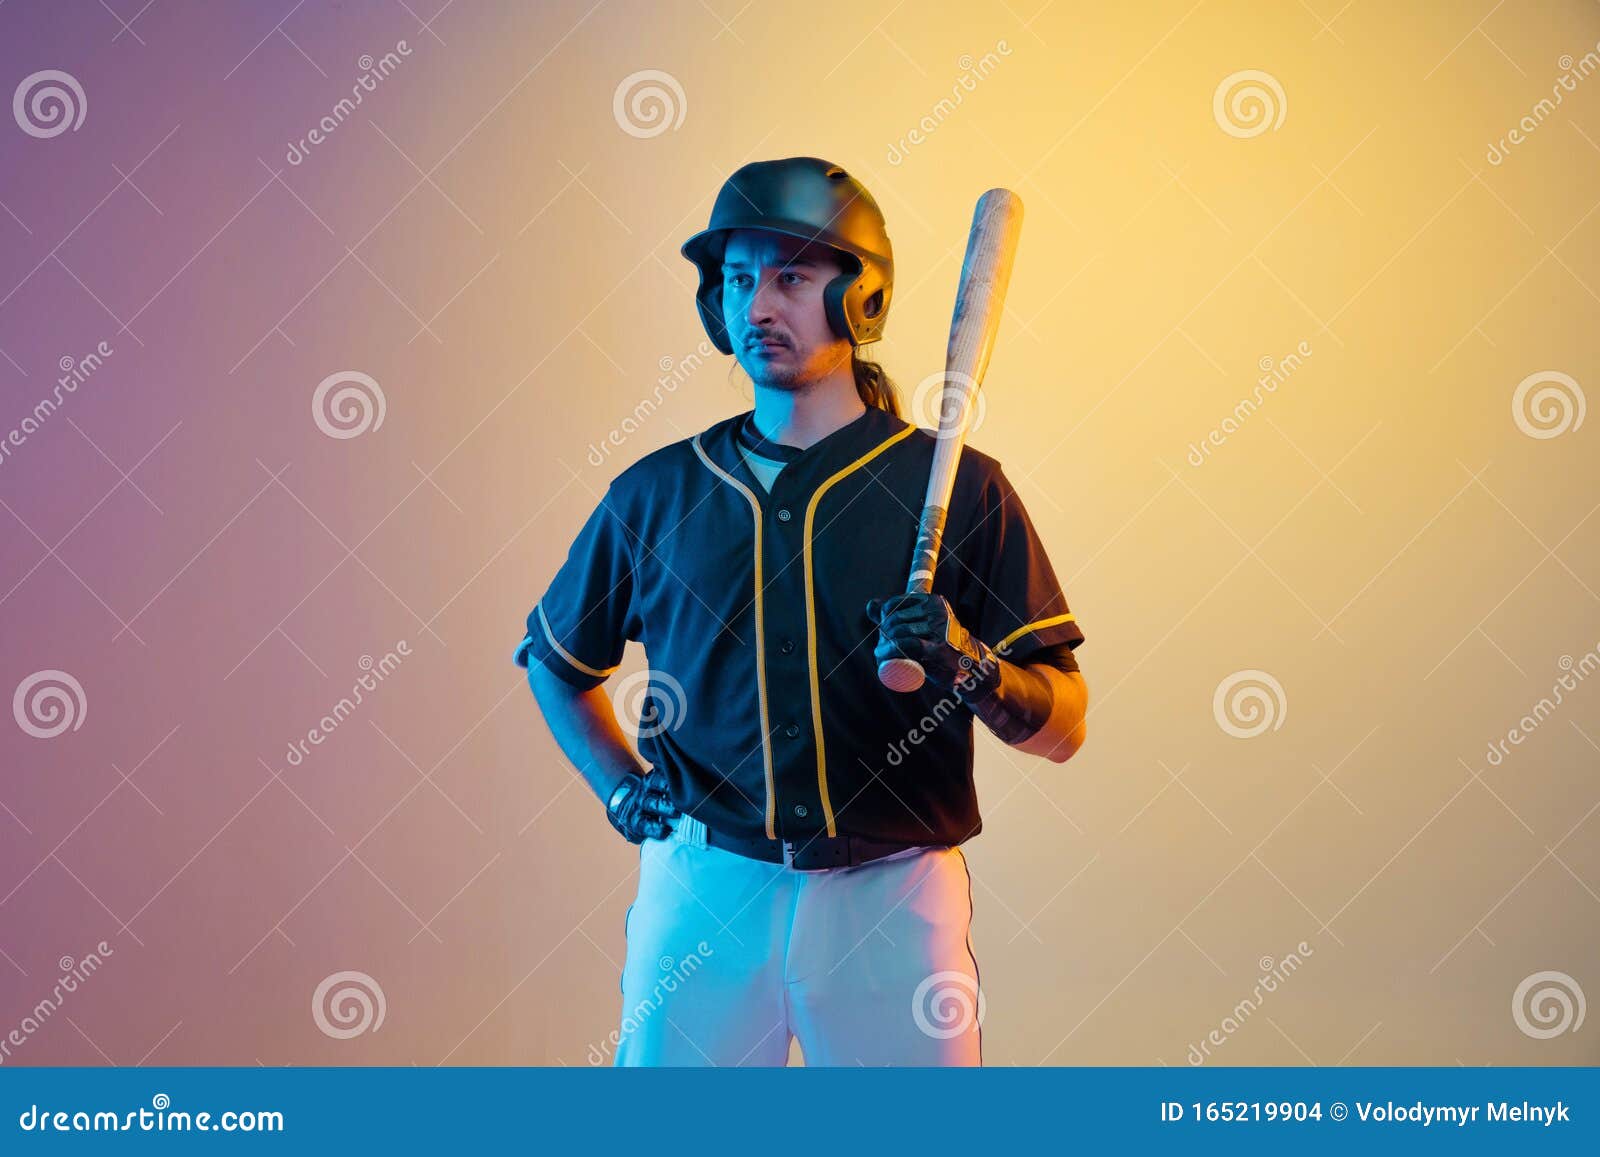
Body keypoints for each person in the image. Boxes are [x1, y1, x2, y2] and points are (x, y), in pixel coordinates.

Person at [515, 156, 1088, 1066]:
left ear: (860, 300)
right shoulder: (657, 491)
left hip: (892, 898)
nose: (759, 307)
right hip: (703, 885)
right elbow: (555, 659)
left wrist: (968, 663)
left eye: (792, 276)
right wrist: (621, 786)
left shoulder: (961, 485)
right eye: (739, 279)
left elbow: (1064, 728)